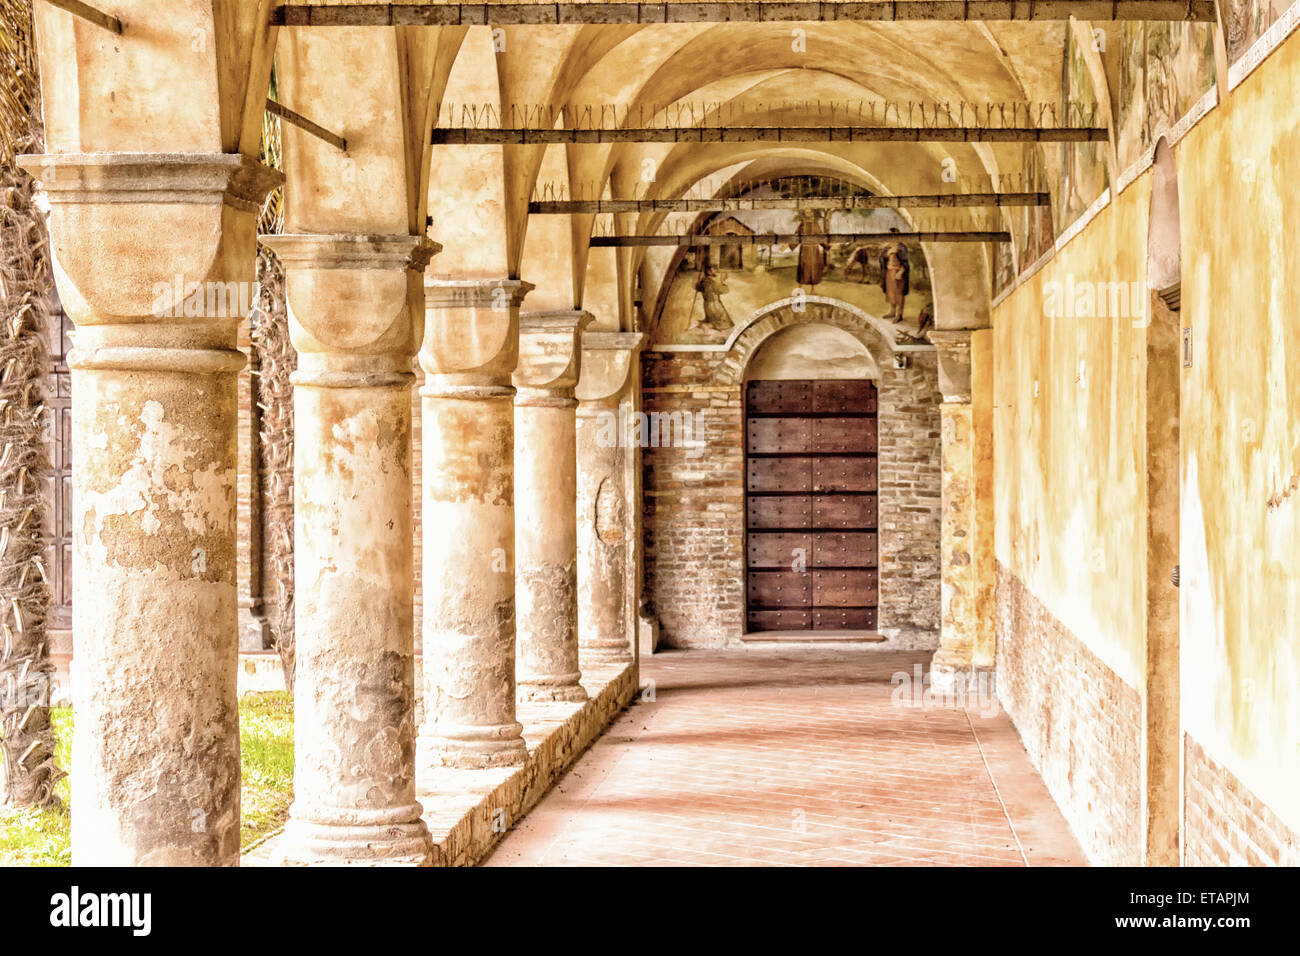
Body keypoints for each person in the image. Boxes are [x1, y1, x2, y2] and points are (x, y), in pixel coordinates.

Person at [880, 227, 910, 322]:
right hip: (889, 272)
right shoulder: (887, 246)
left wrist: (901, 272)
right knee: (890, 293)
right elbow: (882, 258)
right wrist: (886, 254)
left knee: (898, 294)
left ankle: (899, 314)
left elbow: (905, 262)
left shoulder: (901, 247)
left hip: (898, 273)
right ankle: (892, 311)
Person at [694, 266, 733, 331]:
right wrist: (722, 281)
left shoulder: (703, 281)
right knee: (726, 323)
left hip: (707, 305)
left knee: (712, 320)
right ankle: (704, 326)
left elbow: (697, 287)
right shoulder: (711, 283)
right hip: (714, 305)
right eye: (714, 270)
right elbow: (725, 290)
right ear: (709, 272)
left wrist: (699, 281)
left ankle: (705, 325)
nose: (716, 271)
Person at [795, 208, 826, 289]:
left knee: (814, 268)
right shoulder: (802, 224)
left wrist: (828, 245)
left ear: (812, 213)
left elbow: (820, 236)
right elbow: (796, 236)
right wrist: (788, 245)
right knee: (803, 268)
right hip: (804, 250)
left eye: (809, 212)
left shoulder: (816, 224)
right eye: (806, 212)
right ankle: (800, 289)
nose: (808, 214)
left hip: (814, 250)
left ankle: (813, 290)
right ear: (804, 214)